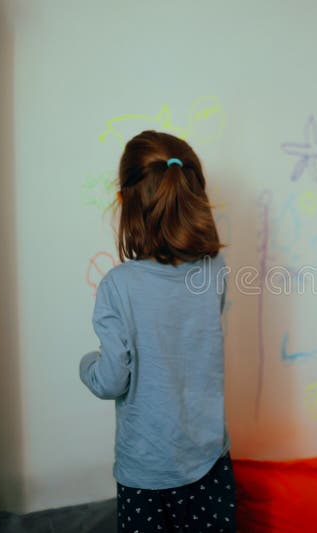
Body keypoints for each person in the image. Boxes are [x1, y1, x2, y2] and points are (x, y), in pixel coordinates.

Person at [80, 131, 235, 533]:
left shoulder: (118, 285)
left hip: (147, 476)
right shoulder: (214, 269)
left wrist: (87, 367)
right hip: (211, 463)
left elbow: (112, 378)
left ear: (125, 204)